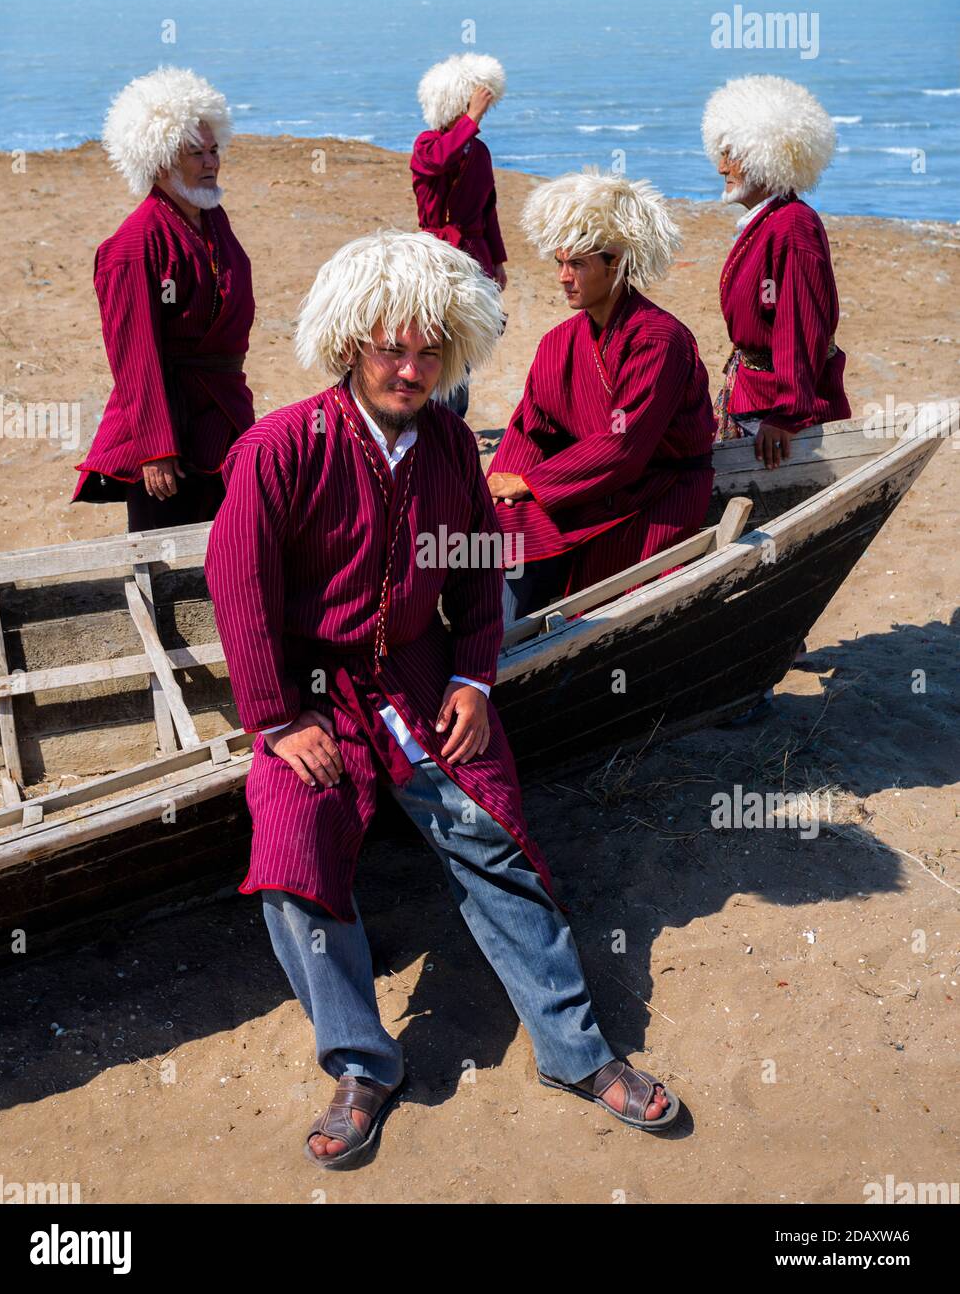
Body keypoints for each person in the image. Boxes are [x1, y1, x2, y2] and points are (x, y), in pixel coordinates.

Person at [205, 230, 680, 1170]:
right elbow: (239, 587)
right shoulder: (279, 448)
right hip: (313, 690)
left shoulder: (455, 446)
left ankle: (575, 1053)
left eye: (430, 351)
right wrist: (276, 720)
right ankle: (362, 1065)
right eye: (392, 348)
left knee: (488, 831)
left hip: (420, 678)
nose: (411, 368)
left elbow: (474, 567)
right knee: (293, 845)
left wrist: (471, 677)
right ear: (351, 345)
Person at [487, 171, 715, 622]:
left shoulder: (658, 339)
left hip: (658, 491)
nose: (563, 278)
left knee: (605, 583)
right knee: (497, 533)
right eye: (559, 264)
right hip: (589, 485)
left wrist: (532, 484)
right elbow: (530, 427)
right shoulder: (559, 342)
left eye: (578, 265)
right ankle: (496, 654)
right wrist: (503, 483)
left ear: (616, 264)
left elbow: (623, 446)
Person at [72, 66, 255, 530]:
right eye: (196, 153)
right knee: (164, 557)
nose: (211, 162)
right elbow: (135, 357)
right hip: (168, 425)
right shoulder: (134, 246)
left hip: (223, 408)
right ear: (158, 160)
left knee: (231, 538)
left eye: (214, 150)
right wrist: (156, 448)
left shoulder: (213, 218)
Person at [702, 74, 850, 468]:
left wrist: (788, 414)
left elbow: (800, 326)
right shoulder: (768, 222)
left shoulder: (792, 226)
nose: (721, 168)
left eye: (732, 155)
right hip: (754, 395)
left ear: (768, 157)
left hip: (778, 411)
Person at [411, 53, 508, 420]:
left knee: (465, 339)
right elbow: (439, 163)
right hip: (437, 256)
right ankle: (433, 412)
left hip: (475, 255)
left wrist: (497, 261)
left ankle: (454, 417)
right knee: (437, 335)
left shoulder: (480, 151)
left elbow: (489, 210)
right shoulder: (426, 145)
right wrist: (473, 118)